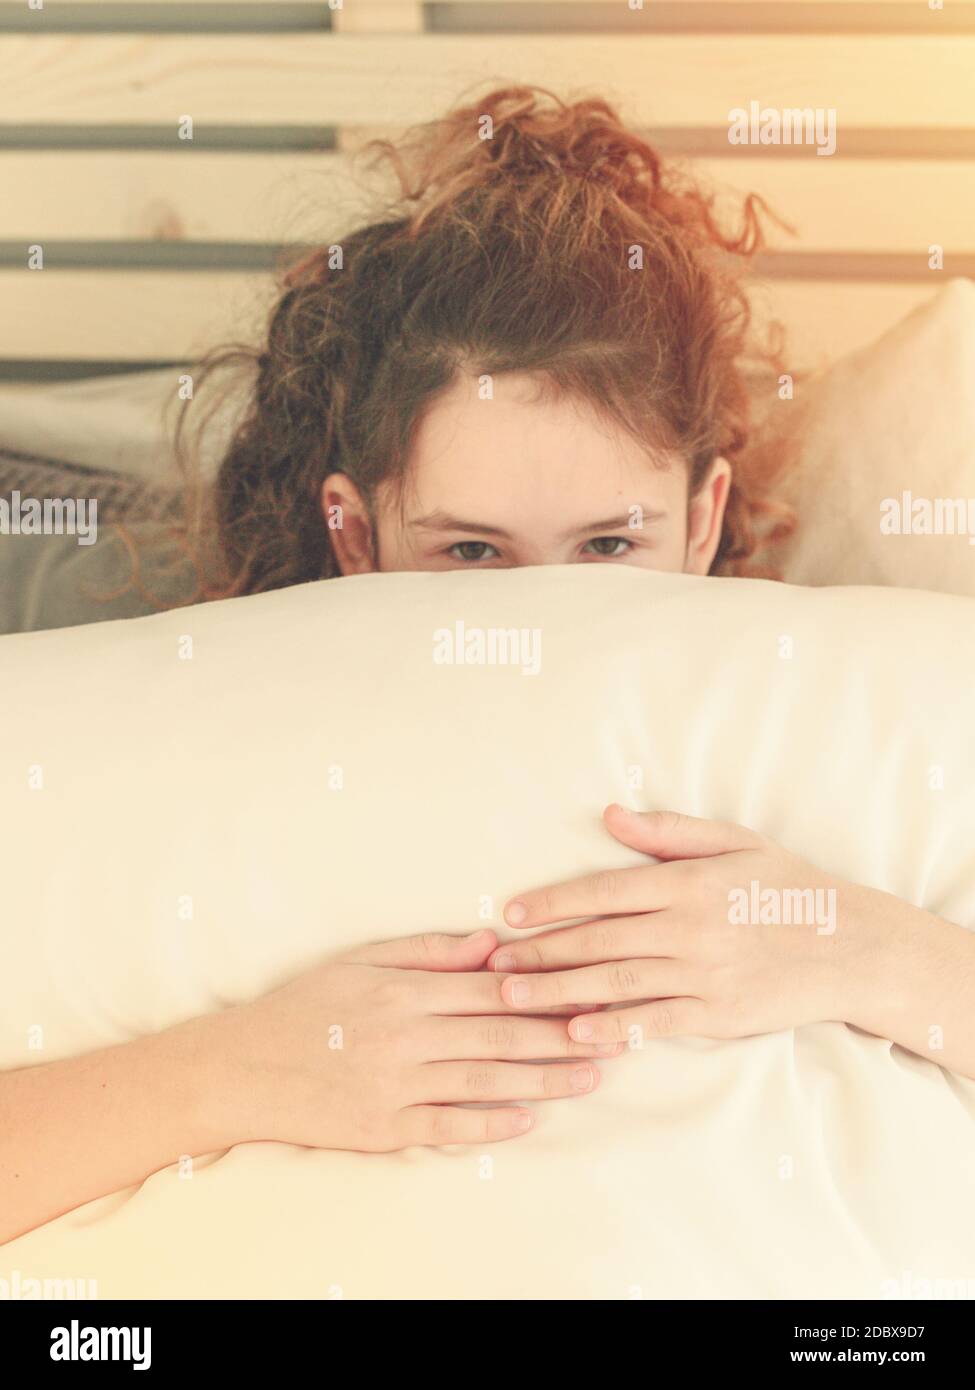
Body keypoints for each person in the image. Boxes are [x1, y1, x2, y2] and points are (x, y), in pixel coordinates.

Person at [4, 86, 972, 1251]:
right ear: (355, 534)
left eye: (609, 547)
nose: (542, 618)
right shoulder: (166, 714)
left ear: (704, 517)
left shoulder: (834, 715)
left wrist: (859, 945)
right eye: (472, 552)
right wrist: (232, 1071)